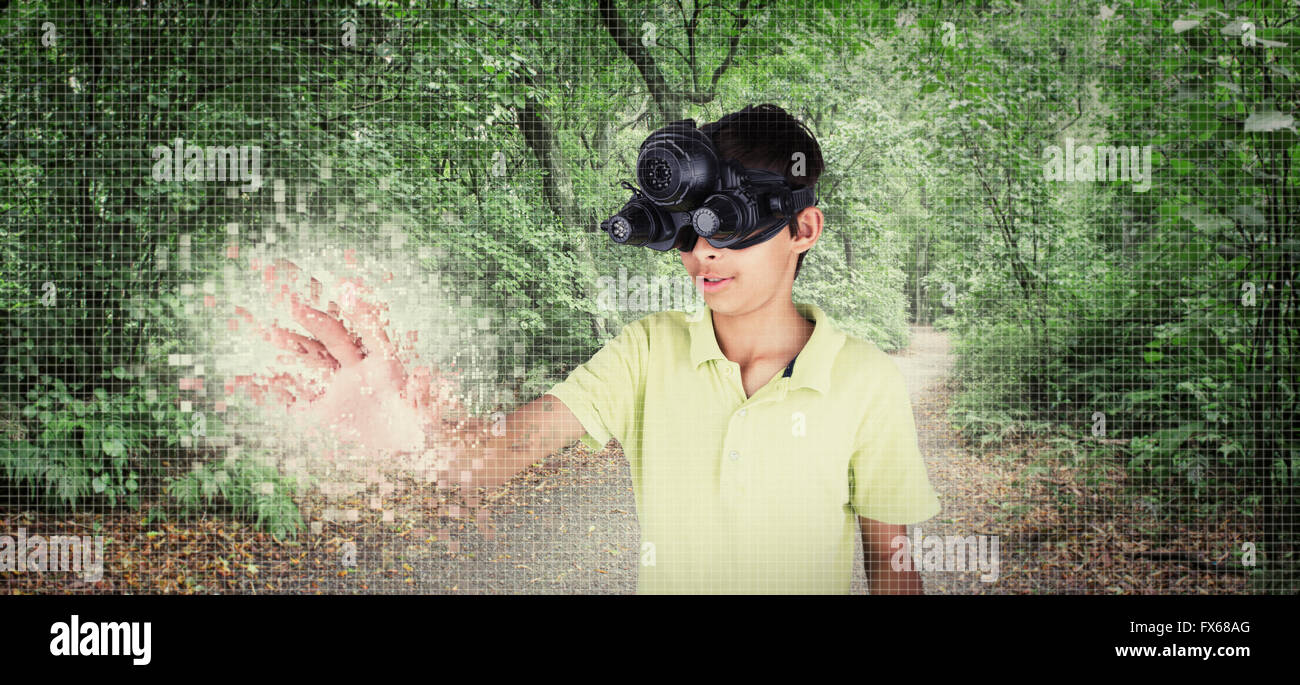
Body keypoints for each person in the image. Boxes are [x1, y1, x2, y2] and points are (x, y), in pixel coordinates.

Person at [450, 104, 942, 594]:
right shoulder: (646, 351)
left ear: (803, 229)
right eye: (687, 230)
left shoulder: (865, 379)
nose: (702, 253)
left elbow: (891, 565)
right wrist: (388, 398)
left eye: (726, 223)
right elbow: (504, 449)